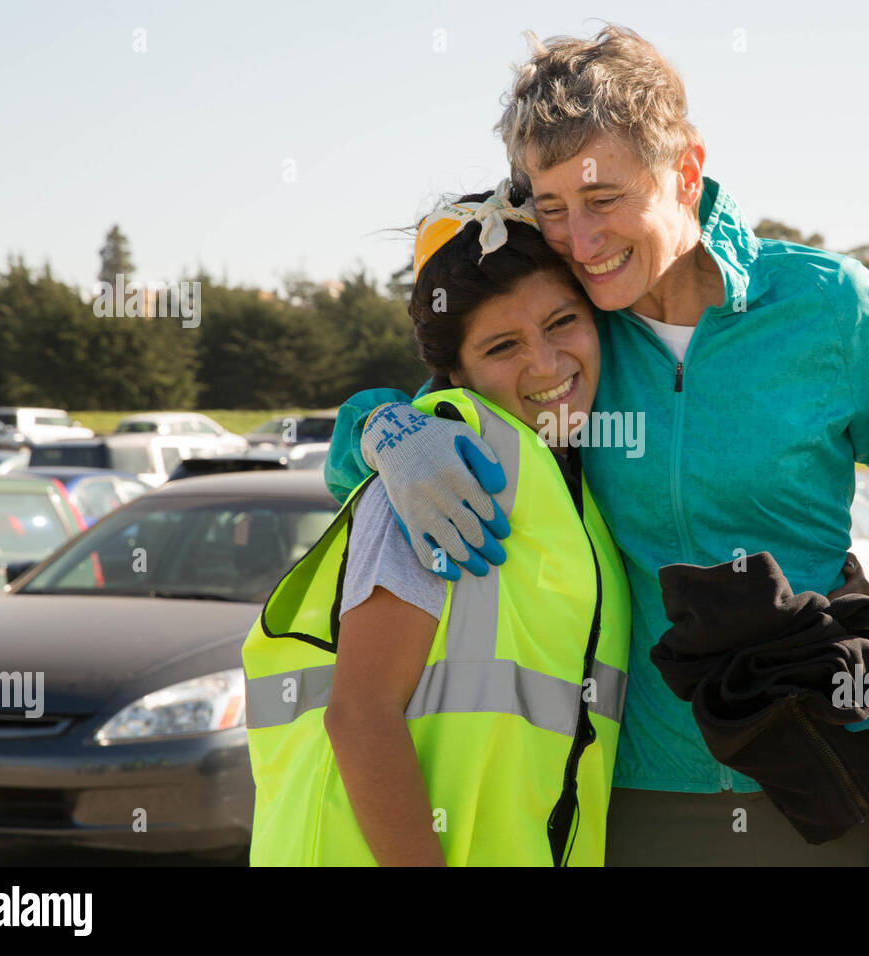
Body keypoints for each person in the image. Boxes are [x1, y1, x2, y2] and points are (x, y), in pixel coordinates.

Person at [323, 25, 869, 866]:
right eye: (551, 208)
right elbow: (387, 439)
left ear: (686, 169)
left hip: (837, 766)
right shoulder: (567, 334)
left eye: (603, 200)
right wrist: (384, 431)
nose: (582, 242)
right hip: (639, 791)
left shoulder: (833, 308)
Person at [241, 182, 633, 865]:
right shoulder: (433, 474)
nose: (545, 364)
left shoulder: (578, 493)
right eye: (503, 345)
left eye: (562, 322)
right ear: (455, 370)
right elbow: (360, 716)